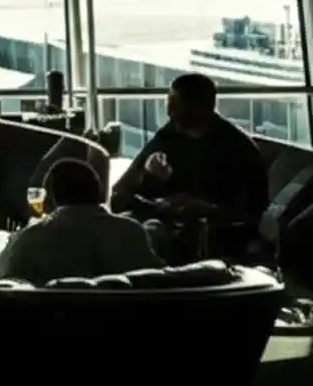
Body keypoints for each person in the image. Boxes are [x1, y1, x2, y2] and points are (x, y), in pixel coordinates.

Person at [111, 73, 268, 261]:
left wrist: (206, 209)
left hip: (208, 233)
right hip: (164, 219)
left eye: (176, 106)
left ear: (201, 109)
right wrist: (146, 174)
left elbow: (251, 211)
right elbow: (120, 193)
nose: (169, 112)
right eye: (168, 104)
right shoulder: (169, 136)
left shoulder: (238, 149)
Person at [0, 158, 162, 284]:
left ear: (51, 199)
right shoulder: (132, 233)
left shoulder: (30, 240)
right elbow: (156, 278)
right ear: (98, 193)